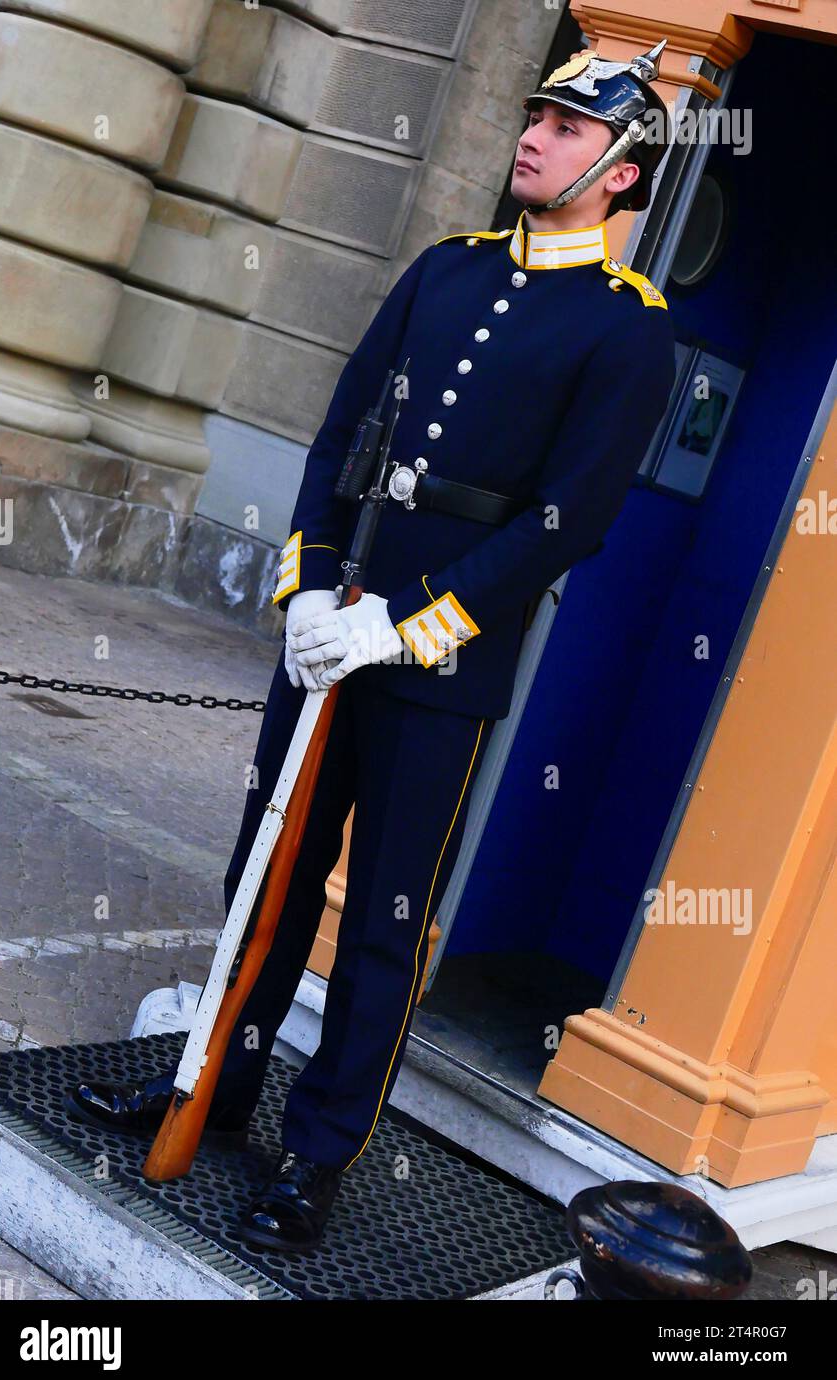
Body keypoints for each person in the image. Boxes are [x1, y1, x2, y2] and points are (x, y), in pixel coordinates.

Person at [66, 40, 678, 1255]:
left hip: (438, 663)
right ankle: (211, 1083)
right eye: (537, 114)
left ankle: (319, 1156)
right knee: (265, 879)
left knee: (385, 922)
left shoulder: (628, 333)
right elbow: (343, 424)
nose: (534, 136)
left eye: (566, 127)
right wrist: (307, 586)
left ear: (620, 172)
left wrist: (398, 629)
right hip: (327, 625)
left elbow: (566, 526)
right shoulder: (445, 271)